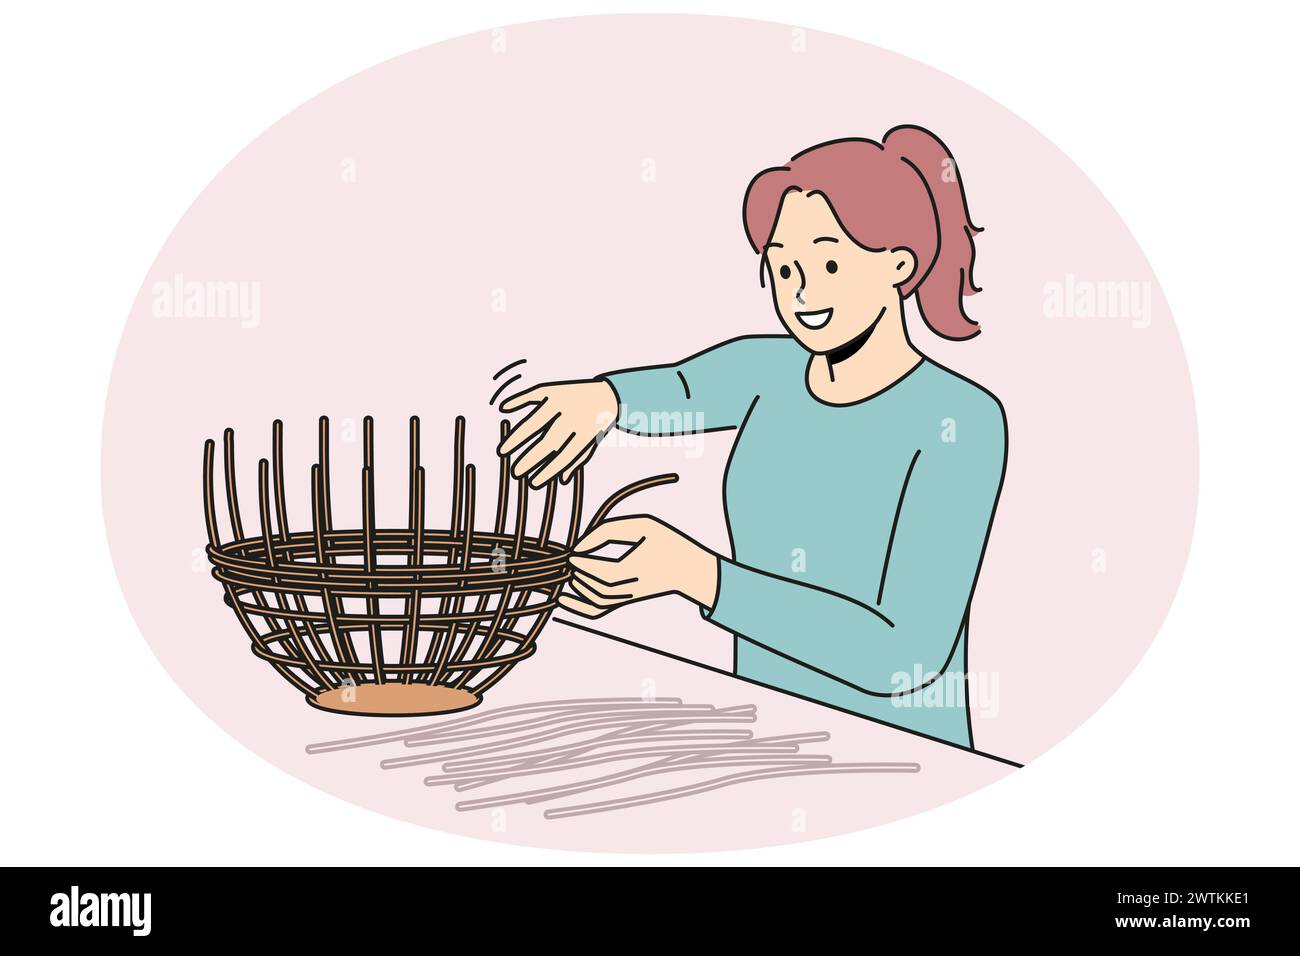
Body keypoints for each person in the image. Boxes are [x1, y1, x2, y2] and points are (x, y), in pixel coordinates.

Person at [498, 127, 1006, 748]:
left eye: (828, 262)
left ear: (898, 264)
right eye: (785, 266)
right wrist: (601, 398)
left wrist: (698, 575)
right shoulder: (768, 371)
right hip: (762, 729)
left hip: (899, 754)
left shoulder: (961, 423)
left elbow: (902, 651)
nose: (802, 291)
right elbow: (683, 389)